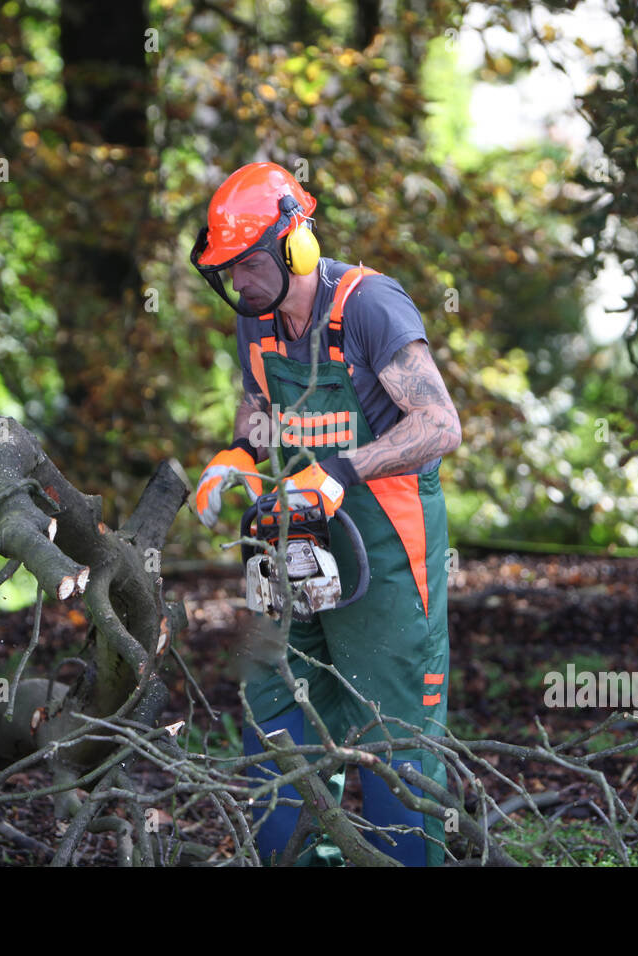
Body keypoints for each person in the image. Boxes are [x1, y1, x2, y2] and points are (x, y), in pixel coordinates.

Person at [189, 161, 461, 866]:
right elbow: (259, 406)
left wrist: (341, 471)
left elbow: (440, 426)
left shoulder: (370, 307)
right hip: (292, 533)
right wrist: (239, 454)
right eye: (229, 271)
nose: (240, 285)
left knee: (390, 726)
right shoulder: (259, 318)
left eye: (249, 265)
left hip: (388, 541)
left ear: (295, 245)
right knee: (270, 704)